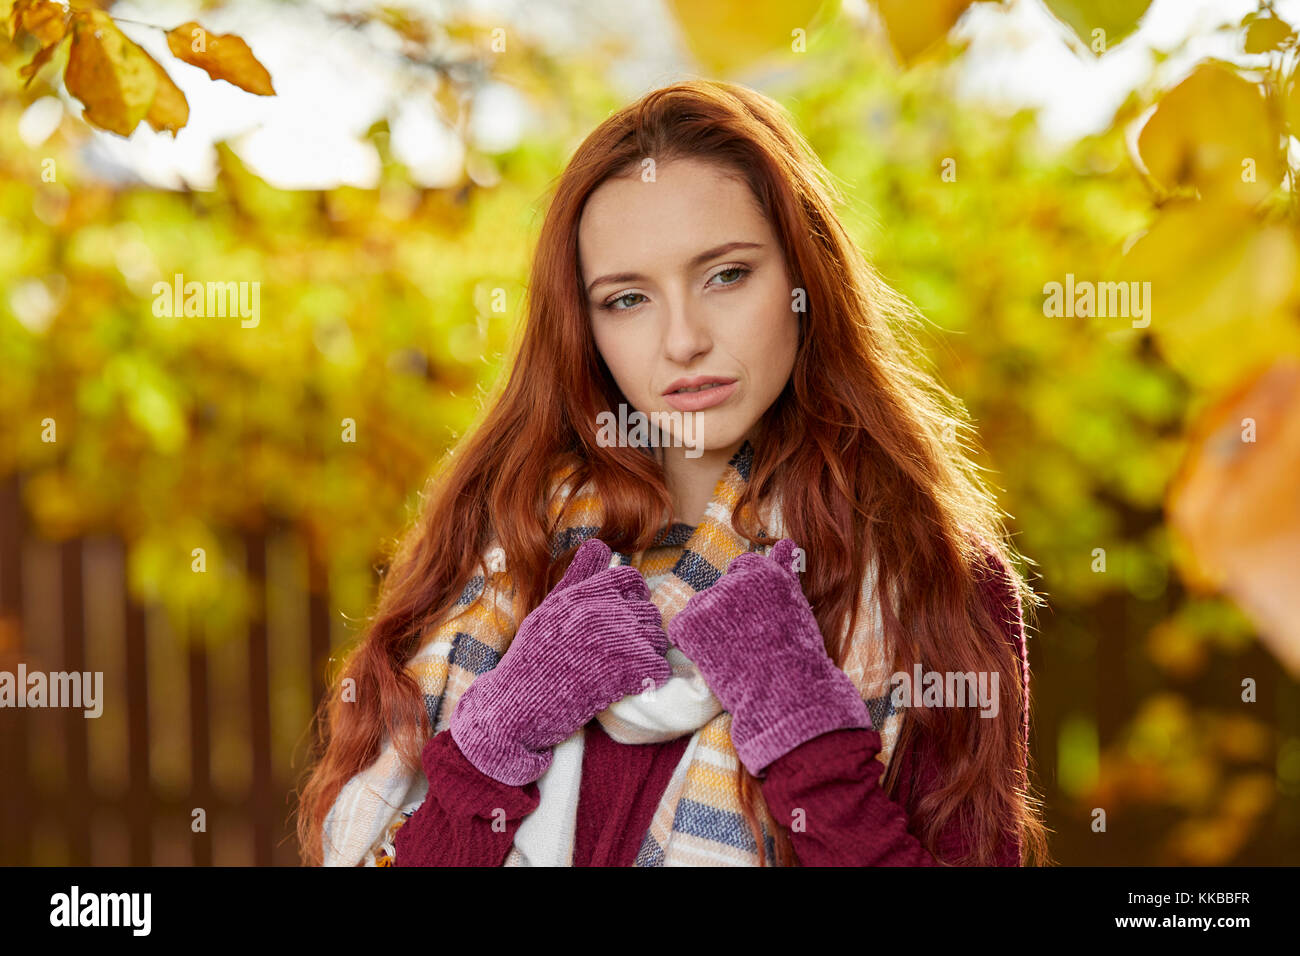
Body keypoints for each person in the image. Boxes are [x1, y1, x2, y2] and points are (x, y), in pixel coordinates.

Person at [295, 78, 1052, 867]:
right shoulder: (503, 553)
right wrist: (495, 735)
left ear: (803, 281)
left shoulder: (924, 576)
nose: (683, 339)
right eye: (628, 299)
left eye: (726, 275)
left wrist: (809, 751)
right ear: (583, 326)